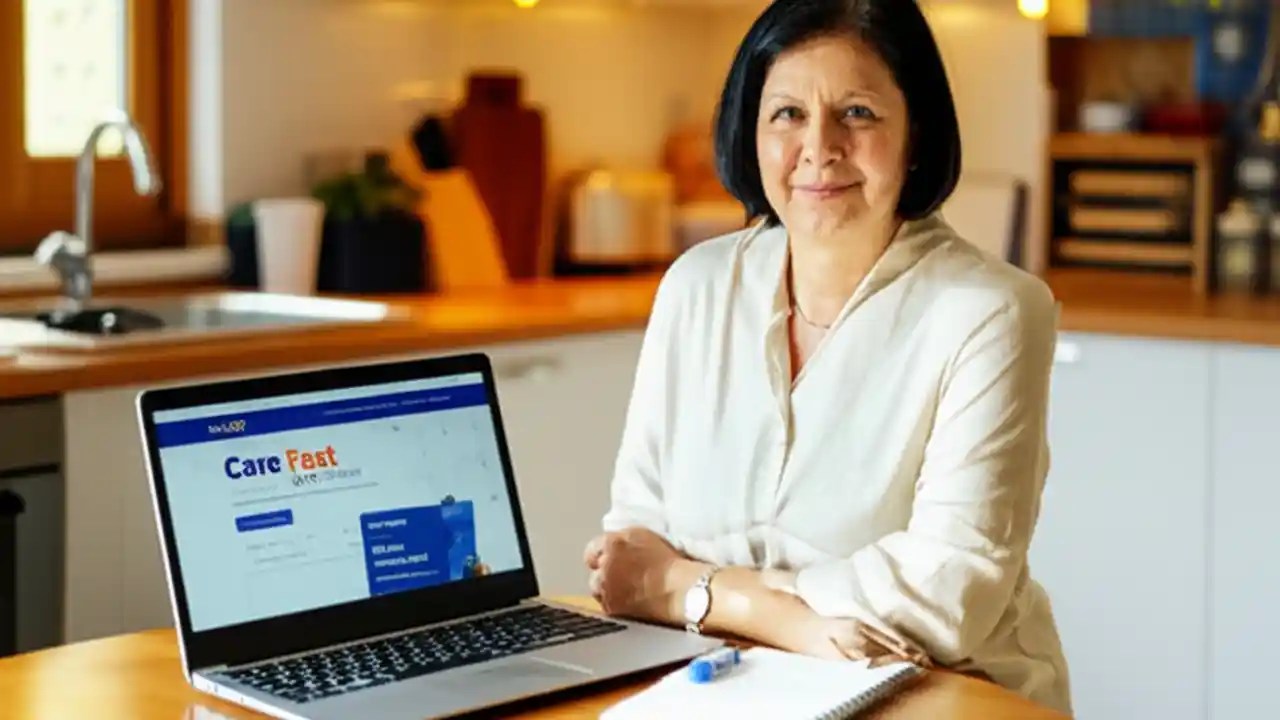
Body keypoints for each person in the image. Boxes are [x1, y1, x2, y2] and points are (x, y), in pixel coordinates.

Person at [582, 0, 1071, 714]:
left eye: (859, 113)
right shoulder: (696, 286)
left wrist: (695, 587)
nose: (819, 146)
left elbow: (946, 592)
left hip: (940, 694)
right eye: (786, 114)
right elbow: (633, 553)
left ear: (916, 133)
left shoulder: (992, 310)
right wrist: (781, 619)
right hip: (718, 686)